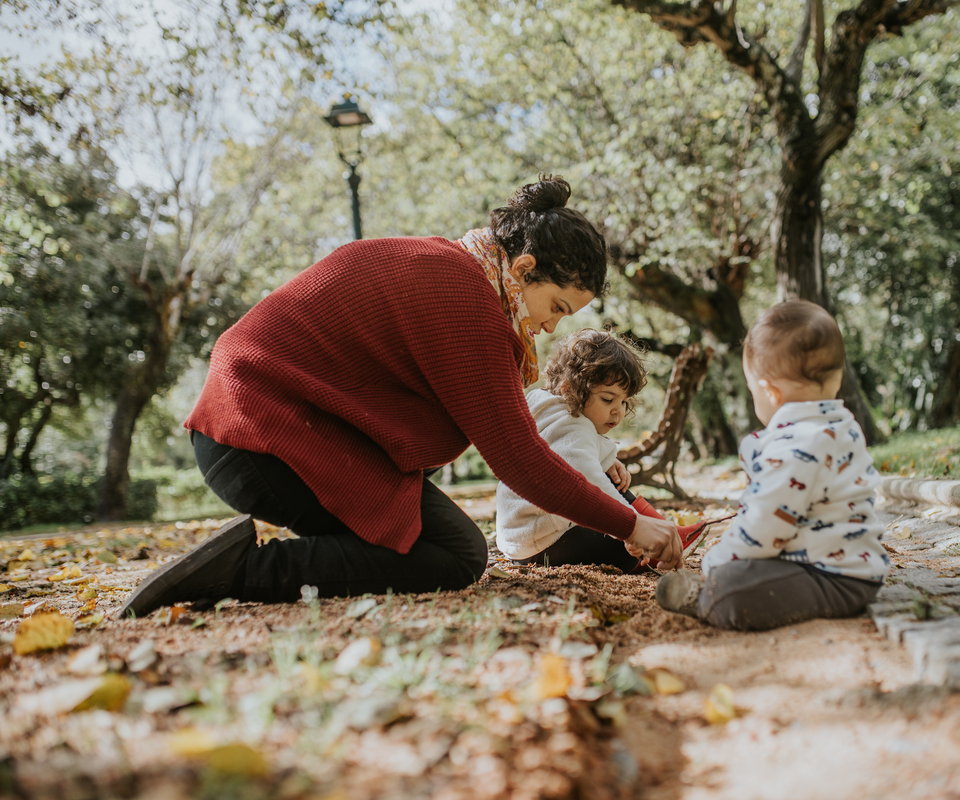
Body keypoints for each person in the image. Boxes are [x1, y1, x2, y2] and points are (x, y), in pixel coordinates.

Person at [118, 175, 682, 618]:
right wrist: (629, 525)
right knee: (457, 556)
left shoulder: (456, 268)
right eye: (557, 307)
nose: (553, 327)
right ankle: (238, 573)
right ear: (525, 269)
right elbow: (521, 459)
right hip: (258, 439)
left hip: (269, 430)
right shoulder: (472, 306)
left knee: (451, 545)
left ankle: (238, 565)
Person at [655, 300, 889, 630]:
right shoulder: (841, 424)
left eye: (752, 391)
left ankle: (703, 597)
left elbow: (765, 529)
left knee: (732, 587)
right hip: (847, 569)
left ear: (770, 392)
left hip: (830, 577)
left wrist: (715, 562)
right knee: (745, 575)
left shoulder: (796, 445)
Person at [496, 328, 668, 572]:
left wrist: (607, 457)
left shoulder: (545, 404)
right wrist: (633, 527)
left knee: (613, 480)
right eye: (608, 399)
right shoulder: (574, 425)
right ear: (570, 387)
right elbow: (591, 479)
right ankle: (657, 537)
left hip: (520, 537)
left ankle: (659, 528)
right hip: (542, 542)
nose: (618, 411)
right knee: (628, 551)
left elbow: (567, 449)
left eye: (624, 401)